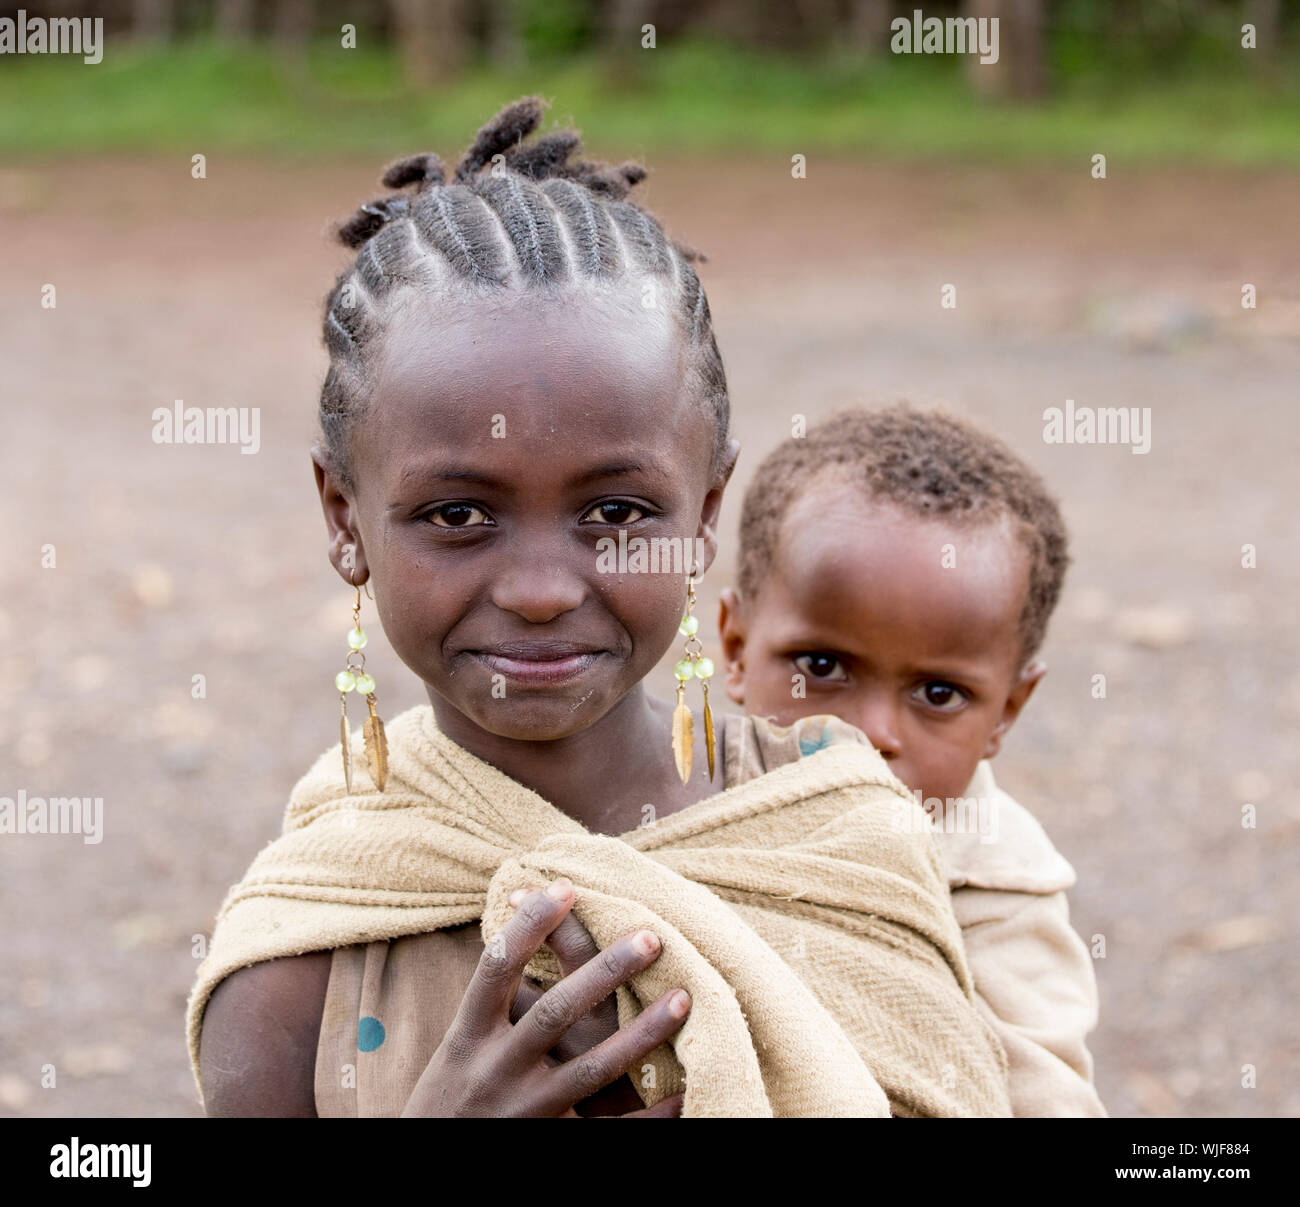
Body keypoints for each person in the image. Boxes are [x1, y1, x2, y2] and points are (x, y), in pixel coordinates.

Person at [186, 101, 1010, 1119]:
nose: (539, 589)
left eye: (615, 511)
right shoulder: (296, 969)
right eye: (457, 513)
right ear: (343, 517)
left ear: (705, 513)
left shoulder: (838, 845)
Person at [718, 403, 1106, 1115]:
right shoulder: (679, 797)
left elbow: (1044, 1099)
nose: (869, 733)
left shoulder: (994, 886)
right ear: (737, 647)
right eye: (823, 664)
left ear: (1007, 713)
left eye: (938, 692)